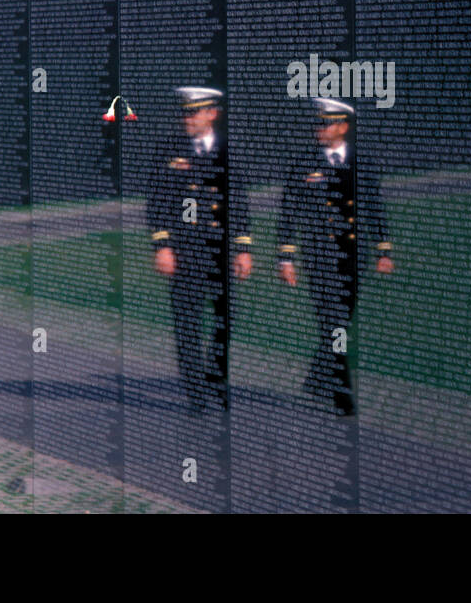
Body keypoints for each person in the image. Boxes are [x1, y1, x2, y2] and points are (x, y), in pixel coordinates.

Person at [277, 98, 393, 415]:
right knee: (334, 322)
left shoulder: (361, 163)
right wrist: (285, 257)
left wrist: (384, 248)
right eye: (318, 123)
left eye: (326, 124)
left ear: (342, 127)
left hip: (353, 256)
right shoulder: (303, 164)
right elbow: (288, 212)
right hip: (320, 258)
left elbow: (374, 208)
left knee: (340, 322)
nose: (319, 129)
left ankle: (317, 378)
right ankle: (342, 395)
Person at [147, 87, 252, 413]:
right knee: (188, 325)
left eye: (194, 113)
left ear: (212, 114)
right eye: (185, 113)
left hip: (219, 252)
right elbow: (158, 202)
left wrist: (243, 247)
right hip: (185, 252)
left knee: (224, 322)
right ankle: (196, 394)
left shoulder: (227, 151)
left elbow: (238, 202)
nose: (187, 118)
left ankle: (217, 383)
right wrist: (162, 246)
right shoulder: (168, 151)